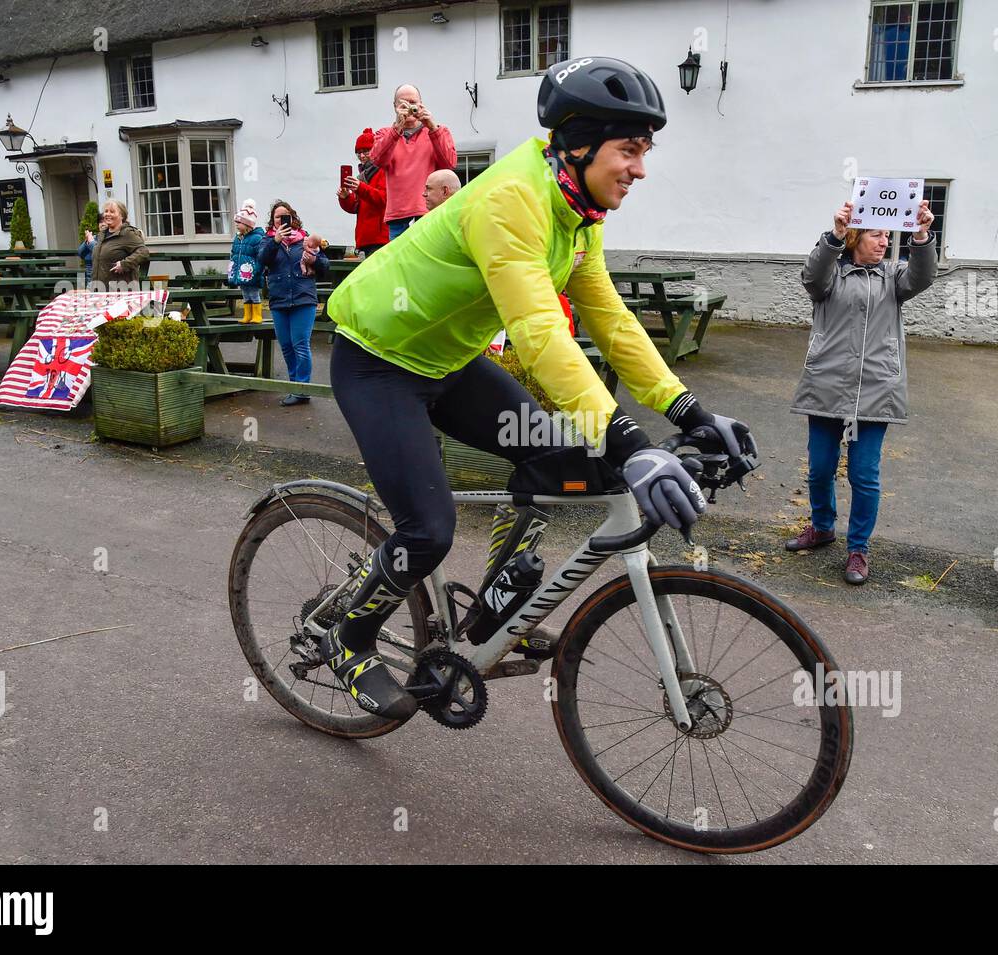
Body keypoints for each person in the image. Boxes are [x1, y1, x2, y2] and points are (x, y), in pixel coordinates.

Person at [322, 57, 757, 722]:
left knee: (560, 460)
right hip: (378, 360)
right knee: (428, 530)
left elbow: (609, 319)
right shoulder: (512, 199)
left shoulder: (579, 210)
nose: (640, 168)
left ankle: (502, 600)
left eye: (645, 151)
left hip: (449, 360)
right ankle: (347, 638)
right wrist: (632, 441)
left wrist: (689, 411)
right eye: (629, 150)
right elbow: (540, 335)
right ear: (578, 145)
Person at [786, 199, 937, 585]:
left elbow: (922, 277)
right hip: (827, 387)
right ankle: (822, 527)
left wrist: (920, 236)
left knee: (864, 475)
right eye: (876, 234)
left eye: (888, 235)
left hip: (874, 393)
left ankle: (858, 550)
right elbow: (811, 276)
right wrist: (834, 234)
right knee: (820, 469)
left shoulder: (893, 278)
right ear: (855, 236)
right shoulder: (830, 276)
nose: (884, 241)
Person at [258, 200, 328, 406]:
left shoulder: (306, 239)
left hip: (303, 298)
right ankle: (294, 385)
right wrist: (275, 241)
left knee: (300, 344)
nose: (282, 220)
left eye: (285, 216)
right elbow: (262, 260)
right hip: (279, 300)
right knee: (287, 346)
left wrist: (314, 260)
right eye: (278, 217)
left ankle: (302, 389)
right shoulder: (267, 240)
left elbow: (325, 266)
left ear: (293, 218)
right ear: (273, 221)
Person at [370, 84, 457, 240]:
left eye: (413, 102)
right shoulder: (384, 133)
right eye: (403, 103)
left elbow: (449, 164)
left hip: (429, 210)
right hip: (397, 215)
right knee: (400, 262)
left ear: (421, 104)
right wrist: (397, 128)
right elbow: (378, 160)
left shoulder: (438, 131)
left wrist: (431, 126)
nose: (409, 107)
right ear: (395, 106)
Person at [337, 128, 389, 258]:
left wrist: (360, 187)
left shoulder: (384, 171)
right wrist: (345, 197)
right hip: (364, 239)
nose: (361, 156)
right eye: (358, 153)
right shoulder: (362, 176)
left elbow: (383, 199)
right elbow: (355, 207)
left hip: (380, 239)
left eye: (366, 151)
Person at [91, 200, 150, 289]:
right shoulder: (101, 235)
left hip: (122, 290)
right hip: (101, 290)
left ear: (122, 215)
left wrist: (125, 264)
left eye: (112, 211)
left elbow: (143, 251)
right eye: (106, 211)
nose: (108, 214)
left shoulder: (127, 233)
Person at [228, 199, 266, 323]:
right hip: (241, 272)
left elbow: (260, 256)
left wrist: (258, 270)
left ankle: (257, 315)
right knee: (245, 293)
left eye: (239, 222)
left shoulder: (257, 238)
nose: (237, 225)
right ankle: (247, 315)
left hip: (252, 271)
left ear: (248, 224)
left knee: (254, 293)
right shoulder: (238, 238)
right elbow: (234, 253)